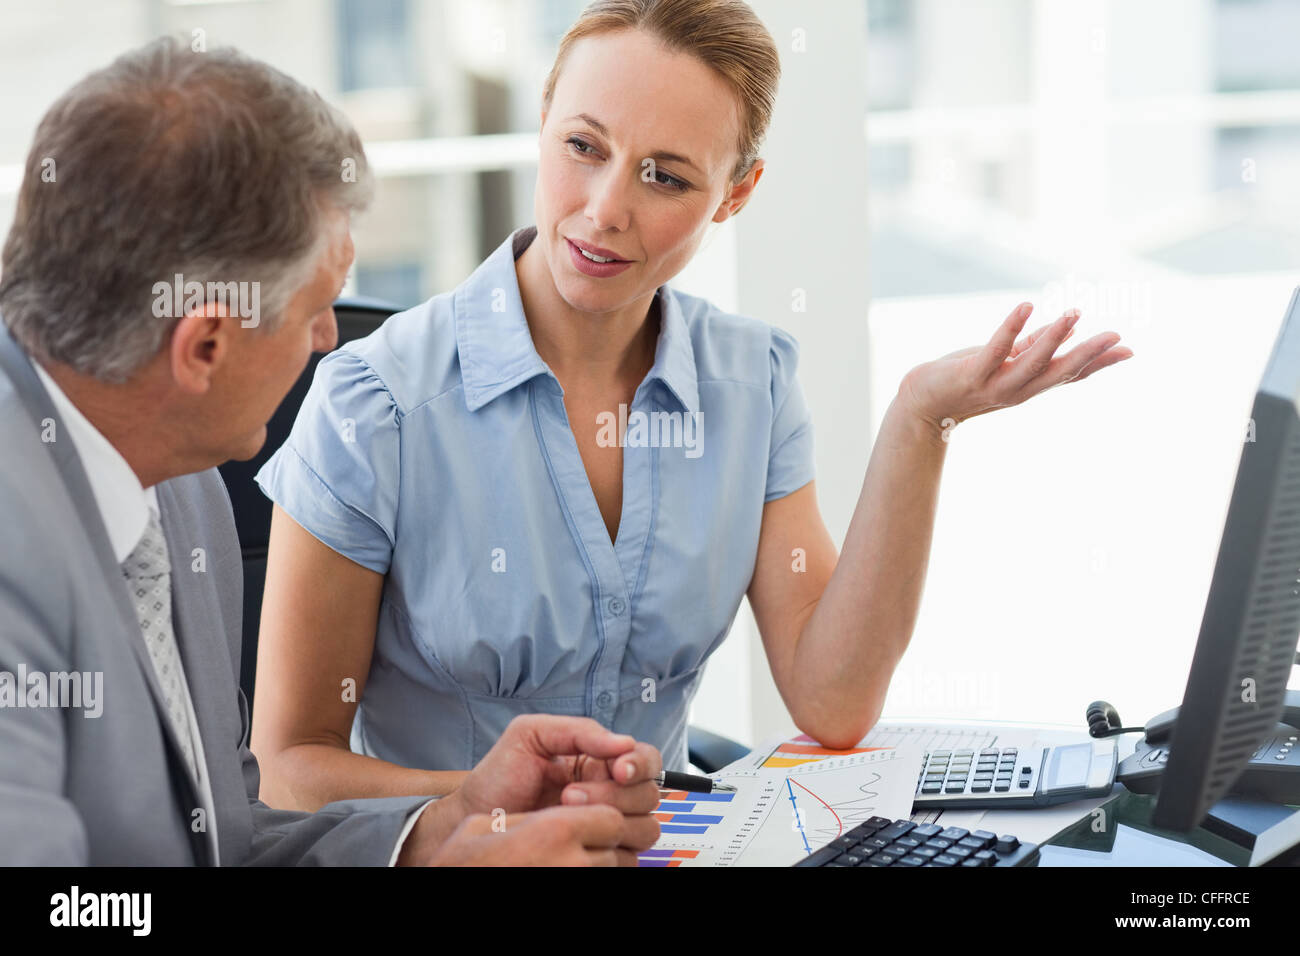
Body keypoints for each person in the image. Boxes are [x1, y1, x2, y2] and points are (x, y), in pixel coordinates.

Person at [252, 0, 1134, 811]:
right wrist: (499, 805)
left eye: (665, 178)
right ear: (543, 128)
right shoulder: (377, 405)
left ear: (736, 193)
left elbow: (833, 701)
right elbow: (289, 768)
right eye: (583, 147)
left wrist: (920, 419)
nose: (604, 212)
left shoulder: (751, 388)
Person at [0, 37, 660, 866]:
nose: (326, 341)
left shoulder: (183, 484)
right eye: (318, 308)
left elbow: (227, 838)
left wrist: (444, 826)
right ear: (203, 346)